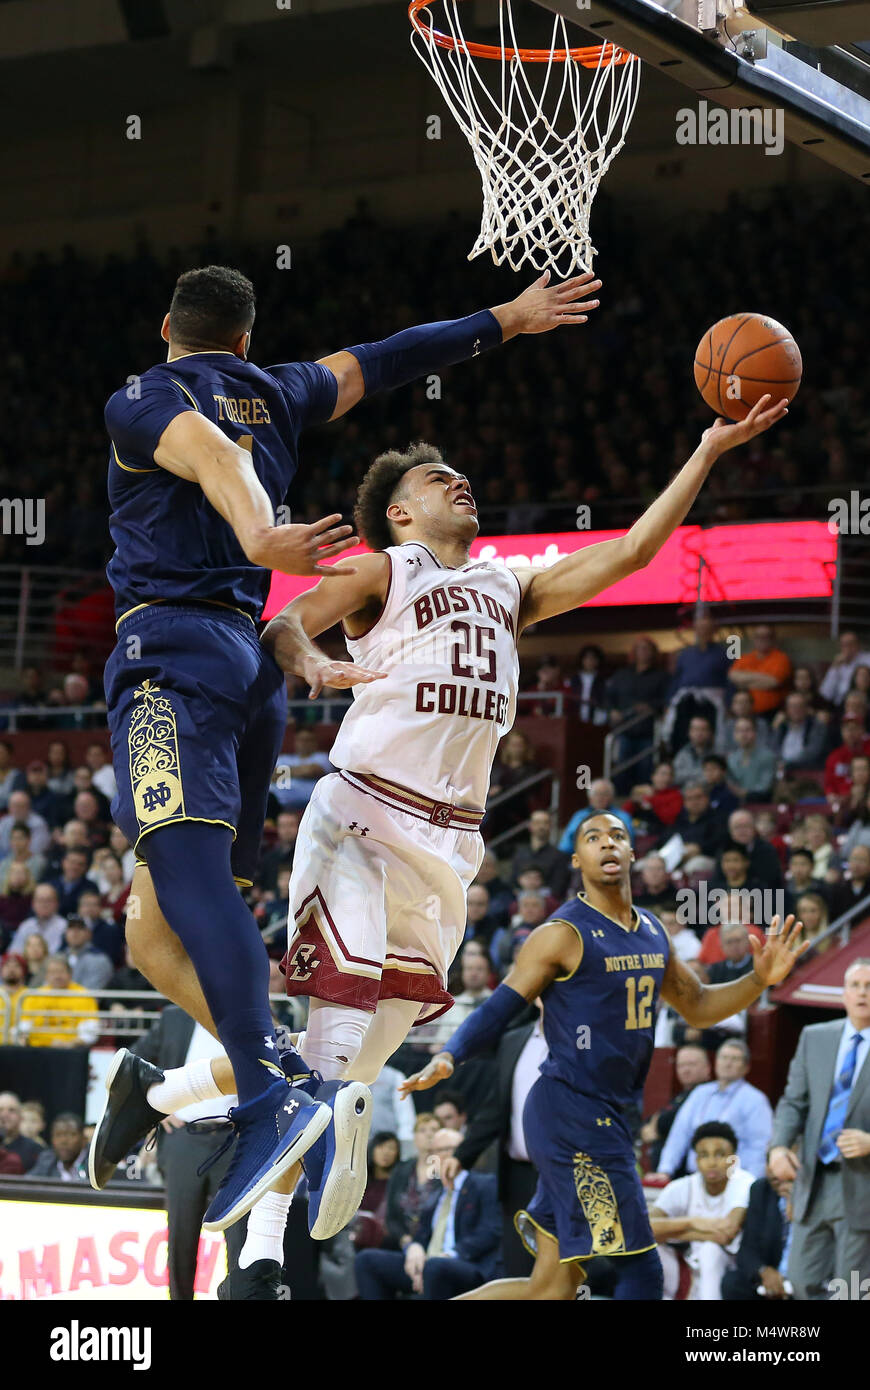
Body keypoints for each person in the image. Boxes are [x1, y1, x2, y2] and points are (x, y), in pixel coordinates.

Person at [91, 393, 790, 1296]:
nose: (458, 480)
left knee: (360, 1058)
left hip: (451, 843)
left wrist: (705, 449)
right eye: (434, 477)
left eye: (459, 474)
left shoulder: (511, 586)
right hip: (361, 815)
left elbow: (632, 552)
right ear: (400, 510)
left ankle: (152, 1096)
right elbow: (284, 622)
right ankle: (260, 1258)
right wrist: (310, 662)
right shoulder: (388, 567)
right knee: (338, 1051)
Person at [400, 809, 804, 1300]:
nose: (608, 844)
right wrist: (450, 1054)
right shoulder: (562, 933)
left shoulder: (653, 930)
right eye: (594, 837)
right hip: (571, 1113)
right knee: (641, 1273)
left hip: (607, 1116)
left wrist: (759, 979)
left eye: (618, 836)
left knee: (552, 1287)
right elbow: (502, 1004)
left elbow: (698, 1006)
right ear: (577, 857)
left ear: (633, 853)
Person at [769, 958, 870, 1300]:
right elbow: (793, 1102)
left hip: (863, 1181)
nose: (862, 993)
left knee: (852, 1290)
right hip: (813, 1179)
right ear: (842, 994)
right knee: (801, 1280)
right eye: (855, 985)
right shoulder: (815, 1037)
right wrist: (779, 1147)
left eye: (869, 986)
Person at [450, 1005, 547, 1276]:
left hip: (562, 1176)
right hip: (517, 1174)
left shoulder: (584, 1039)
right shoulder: (513, 1040)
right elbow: (496, 1109)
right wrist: (461, 1155)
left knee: (561, 1275)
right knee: (518, 1270)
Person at [354, 1127, 502, 1299]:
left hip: (466, 1263)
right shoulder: (438, 1190)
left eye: (442, 1150)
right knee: (367, 1260)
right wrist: (414, 1249)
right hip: (430, 1263)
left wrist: (449, 1254)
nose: (435, 1157)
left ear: (459, 1151)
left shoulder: (483, 1184)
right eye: (433, 1151)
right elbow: (423, 1233)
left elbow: (491, 1231)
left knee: (435, 1267)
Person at [650, 1121, 754, 1300]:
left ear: (733, 1159)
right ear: (696, 1160)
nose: (712, 1162)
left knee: (710, 1250)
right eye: (704, 1155)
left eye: (720, 1154)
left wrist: (669, 1232)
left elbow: (727, 1232)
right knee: (649, 1248)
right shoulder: (683, 1185)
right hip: (689, 1263)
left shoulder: (744, 1182)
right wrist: (693, 1222)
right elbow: (644, 1229)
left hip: (731, 1267)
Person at [654, 1039, 773, 1181]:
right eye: (724, 1058)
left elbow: (760, 1146)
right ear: (715, 1063)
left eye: (735, 1059)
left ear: (746, 1067)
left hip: (732, 1181)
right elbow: (679, 1134)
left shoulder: (755, 1100)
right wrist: (665, 1170)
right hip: (695, 1178)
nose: (728, 1064)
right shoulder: (700, 1093)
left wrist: (750, 1184)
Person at [720, 1159, 793, 1301]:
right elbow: (747, 1250)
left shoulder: (821, 1190)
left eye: (779, 1163)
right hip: (772, 1280)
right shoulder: (761, 1189)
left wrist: (799, 1202)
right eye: (769, 1163)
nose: (773, 1171)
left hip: (809, 1277)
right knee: (733, 1283)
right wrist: (763, 1271)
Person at [640, 1044, 711, 1173]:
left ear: (707, 1068)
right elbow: (651, 1122)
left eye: (691, 1064)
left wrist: (657, 1125)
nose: (686, 1070)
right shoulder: (680, 1096)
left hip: (685, 1172)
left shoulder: (708, 1095)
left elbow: (665, 1122)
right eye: (681, 1065)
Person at [381, 1112, 441, 1251]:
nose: (429, 1134)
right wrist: (403, 1238)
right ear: (414, 1137)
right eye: (422, 1130)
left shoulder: (445, 1171)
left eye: (434, 1130)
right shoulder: (401, 1169)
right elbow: (390, 1215)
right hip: (401, 1243)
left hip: (434, 1244)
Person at [16, 955, 99, 1048]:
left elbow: (90, 1032)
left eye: (61, 971)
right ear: (46, 975)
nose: (57, 976)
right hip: (38, 1048)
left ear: (70, 973)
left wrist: (70, 1043)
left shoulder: (84, 995)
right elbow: (24, 1027)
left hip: (71, 1049)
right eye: (53, 972)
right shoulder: (34, 996)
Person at [728, 625, 791, 715]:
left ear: (773, 639)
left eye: (766, 637)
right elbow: (732, 676)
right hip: (744, 714)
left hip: (771, 713)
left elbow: (773, 682)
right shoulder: (745, 658)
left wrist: (744, 681)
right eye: (758, 636)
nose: (762, 639)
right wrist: (762, 677)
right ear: (754, 639)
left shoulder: (781, 658)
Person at [559, 777, 634, 853]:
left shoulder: (623, 817)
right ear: (590, 797)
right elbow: (566, 845)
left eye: (605, 794)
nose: (600, 798)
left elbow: (627, 844)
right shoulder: (579, 816)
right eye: (596, 794)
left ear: (612, 797)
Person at [510, 810, 571, 901]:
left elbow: (558, 889)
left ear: (551, 826)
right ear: (529, 826)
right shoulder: (519, 854)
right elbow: (512, 883)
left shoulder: (559, 856)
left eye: (545, 823)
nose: (541, 826)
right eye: (537, 822)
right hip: (520, 902)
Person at [272, 728, 334, 811]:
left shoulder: (322, 757)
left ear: (315, 743)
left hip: (311, 804)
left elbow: (310, 771)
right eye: (301, 740)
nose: (304, 743)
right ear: (295, 742)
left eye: (308, 740)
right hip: (279, 803)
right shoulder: (283, 758)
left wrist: (283, 772)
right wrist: (301, 771)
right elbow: (271, 776)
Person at [771, 692, 829, 772]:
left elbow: (812, 753)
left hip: (805, 771)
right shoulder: (781, 726)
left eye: (800, 706)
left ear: (806, 709)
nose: (796, 710)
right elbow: (772, 749)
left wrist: (788, 764)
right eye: (792, 706)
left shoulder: (816, 726)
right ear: (787, 709)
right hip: (780, 769)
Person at [8, 884, 67, 956]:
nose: (44, 904)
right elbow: (14, 952)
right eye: (40, 900)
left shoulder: (64, 926)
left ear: (56, 903)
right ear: (33, 904)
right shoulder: (26, 925)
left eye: (48, 900)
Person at [27, 1113, 89, 1182]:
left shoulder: (94, 1163)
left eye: (71, 1135)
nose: (63, 1141)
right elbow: (26, 1185)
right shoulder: (46, 1160)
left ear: (84, 1140)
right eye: (58, 1135)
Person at [726, 718, 777, 800]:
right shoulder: (731, 758)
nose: (743, 734)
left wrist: (744, 792)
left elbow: (765, 786)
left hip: (761, 802)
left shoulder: (767, 756)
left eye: (747, 730)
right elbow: (730, 783)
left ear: (755, 733)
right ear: (734, 735)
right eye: (739, 731)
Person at [59, 916, 114, 991]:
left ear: (89, 933)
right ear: (65, 933)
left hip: (84, 1001)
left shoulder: (99, 959)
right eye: (71, 928)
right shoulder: (58, 957)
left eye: (80, 928)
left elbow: (92, 992)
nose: (75, 932)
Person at [819, 630, 870, 708]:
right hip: (840, 706)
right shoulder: (837, 663)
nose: (848, 648)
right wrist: (834, 668)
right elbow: (826, 693)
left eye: (851, 644)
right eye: (844, 645)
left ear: (858, 645)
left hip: (863, 703)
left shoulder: (867, 659)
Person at [0, 1091, 42, 1172]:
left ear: (21, 1117)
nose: (4, 1115)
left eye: (11, 1110)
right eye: (0, 1109)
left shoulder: (35, 1150)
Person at [672, 716, 717, 787]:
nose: (699, 733)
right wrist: (701, 774)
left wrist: (687, 776)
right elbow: (675, 777)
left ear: (709, 732)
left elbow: (713, 778)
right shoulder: (682, 753)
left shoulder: (716, 754)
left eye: (703, 729)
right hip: (685, 795)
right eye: (696, 729)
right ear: (690, 732)